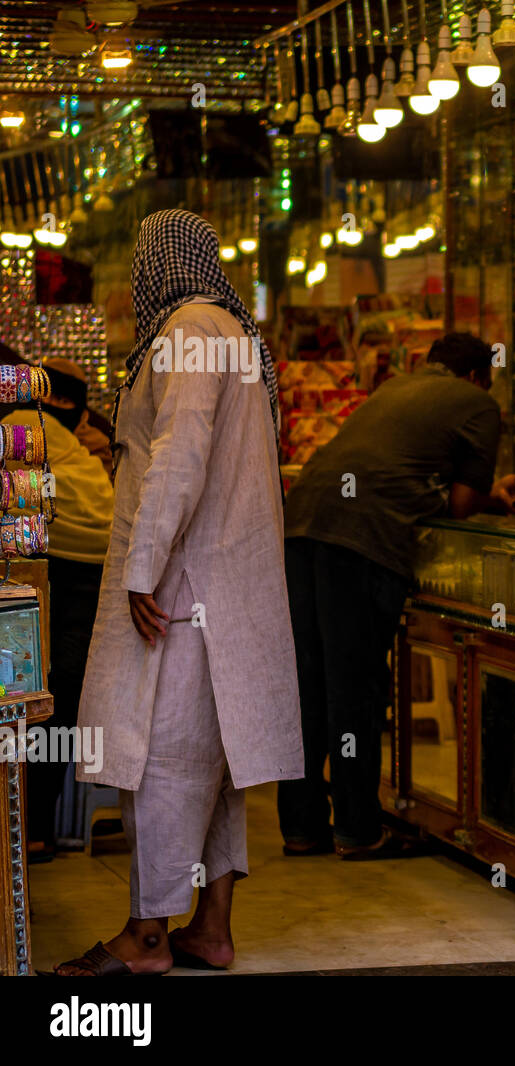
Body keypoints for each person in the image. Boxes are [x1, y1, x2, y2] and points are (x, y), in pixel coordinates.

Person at [55, 209, 302, 975]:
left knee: (162, 757)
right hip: (226, 584)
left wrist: (140, 566)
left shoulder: (189, 329)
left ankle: (147, 935)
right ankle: (211, 927)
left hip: (183, 585)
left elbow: (178, 458)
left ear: (157, 263)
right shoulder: (232, 331)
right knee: (215, 761)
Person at [277, 331, 515, 859]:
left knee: (308, 680)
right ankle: (358, 830)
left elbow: (395, 465)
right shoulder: (478, 402)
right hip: (362, 538)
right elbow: (461, 505)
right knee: (356, 687)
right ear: (480, 376)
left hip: (300, 523)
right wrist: (492, 497)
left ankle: (301, 826)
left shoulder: (392, 389)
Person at [2, 358, 114, 864]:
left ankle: (23, 831)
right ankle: (38, 832)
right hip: (95, 563)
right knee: (59, 697)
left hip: (51, 565)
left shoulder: (20, 423)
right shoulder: (69, 437)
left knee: (23, 694)